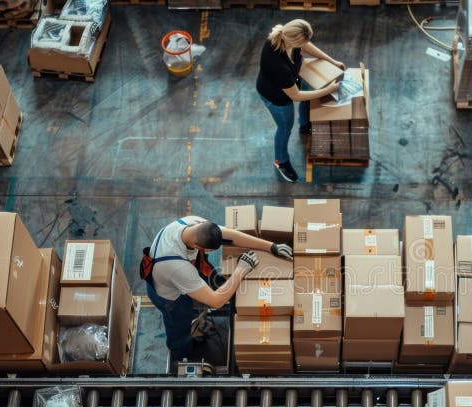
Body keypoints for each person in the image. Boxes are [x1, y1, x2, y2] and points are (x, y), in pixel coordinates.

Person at [143, 216, 293, 362]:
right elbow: (216, 301)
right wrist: (241, 268)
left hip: (181, 272)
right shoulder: (177, 267)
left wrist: (271, 246)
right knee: (179, 327)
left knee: (206, 286)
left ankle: (196, 315)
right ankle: (182, 353)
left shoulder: (191, 223)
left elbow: (231, 236)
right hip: (170, 299)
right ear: (200, 248)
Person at [256, 19, 345, 183]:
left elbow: (306, 46)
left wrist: (331, 61)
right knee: (284, 127)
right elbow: (295, 96)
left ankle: (305, 124)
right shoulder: (276, 63)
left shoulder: (287, 35)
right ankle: (281, 161)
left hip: (293, 78)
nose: (304, 45)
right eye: (302, 42)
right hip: (276, 96)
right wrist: (329, 90)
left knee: (309, 93)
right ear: (292, 41)